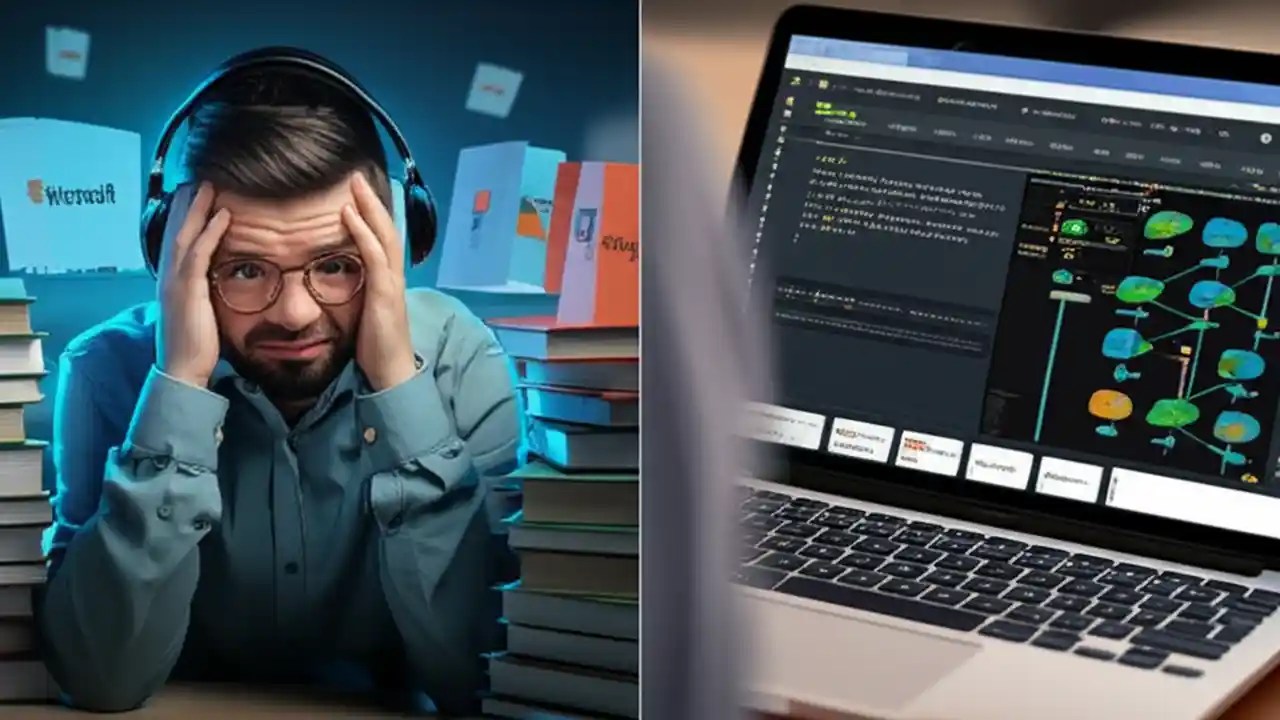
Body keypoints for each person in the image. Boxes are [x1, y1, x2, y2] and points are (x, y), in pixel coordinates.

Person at [35, 62, 519, 715]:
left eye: (337, 265)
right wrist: (178, 387)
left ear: (395, 250)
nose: (295, 313)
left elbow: (483, 682)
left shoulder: (462, 359)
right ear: (175, 257)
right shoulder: (105, 371)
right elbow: (98, 678)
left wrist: (402, 390)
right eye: (243, 269)